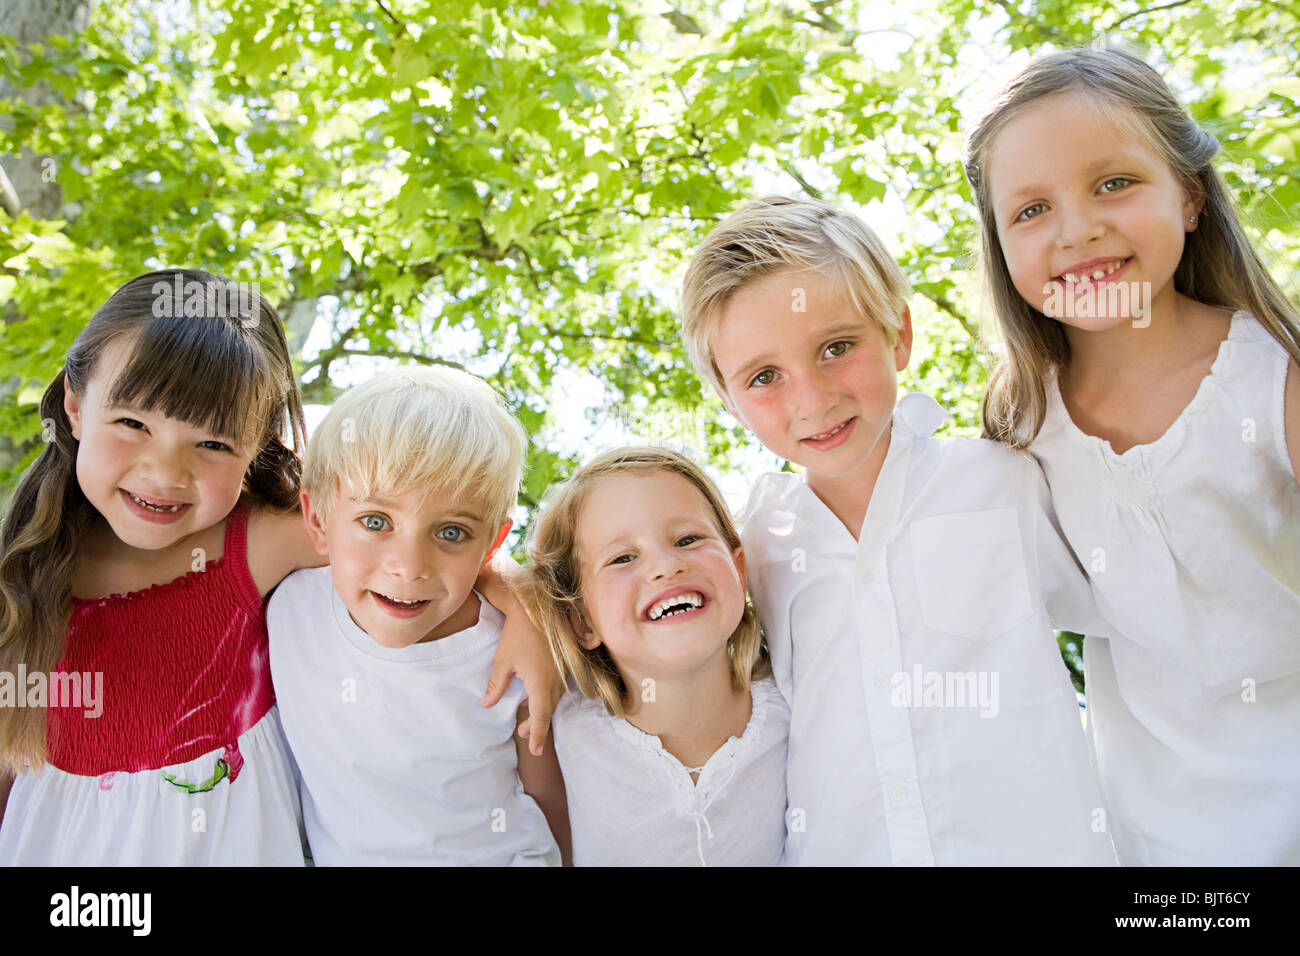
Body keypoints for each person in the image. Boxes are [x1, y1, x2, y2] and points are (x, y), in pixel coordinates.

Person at [681, 196, 1116, 865]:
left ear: (900, 336)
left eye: (836, 347)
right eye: (765, 376)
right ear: (729, 401)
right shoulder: (754, 550)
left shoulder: (1004, 482)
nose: (812, 398)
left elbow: (1141, 610)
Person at [964, 46, 1300, 865]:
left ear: (1188, 196)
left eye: (1114, 183)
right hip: (1148, 832)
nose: (1079, 230)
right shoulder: (1019, 428)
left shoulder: (1275, 381)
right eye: (1032, 210)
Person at [0, 269, 317, 864]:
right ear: (74, 405)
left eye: (215, 443)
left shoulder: (258, 544)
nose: (166, 474)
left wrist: (517, 601)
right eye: (132, 424)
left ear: (258, 448)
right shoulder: (22, 580)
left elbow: (414, 545)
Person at [267, 367, 564, 865]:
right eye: (376, 521)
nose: (409, 567)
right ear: (317, 520)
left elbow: (550, 801)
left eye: (450, 532)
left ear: (491, 544)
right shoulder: (290, 605)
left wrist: (530, 611)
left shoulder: (509, 651)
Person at [520, 447, 788, 866]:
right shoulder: (553, 729)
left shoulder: (794, 706)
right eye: (622, 558)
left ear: (739, 570)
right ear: (582, 621)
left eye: (688, 539)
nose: (666, 565)